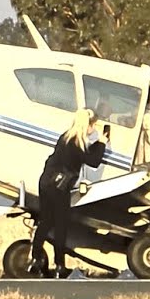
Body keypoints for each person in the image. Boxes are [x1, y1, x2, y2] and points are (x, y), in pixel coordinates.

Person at [31, 108, 109, 278]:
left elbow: (84, 154)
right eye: (93, 125)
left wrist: (97, 144)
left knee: (45, 222)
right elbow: (93, 161)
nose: (94, 129)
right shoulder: (76, 143)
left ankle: (36, 260)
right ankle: (60, 266)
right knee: (61, 226)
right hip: (59, 187)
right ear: (88, 125)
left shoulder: (67, 138)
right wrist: (102, 143)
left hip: (46, 183)